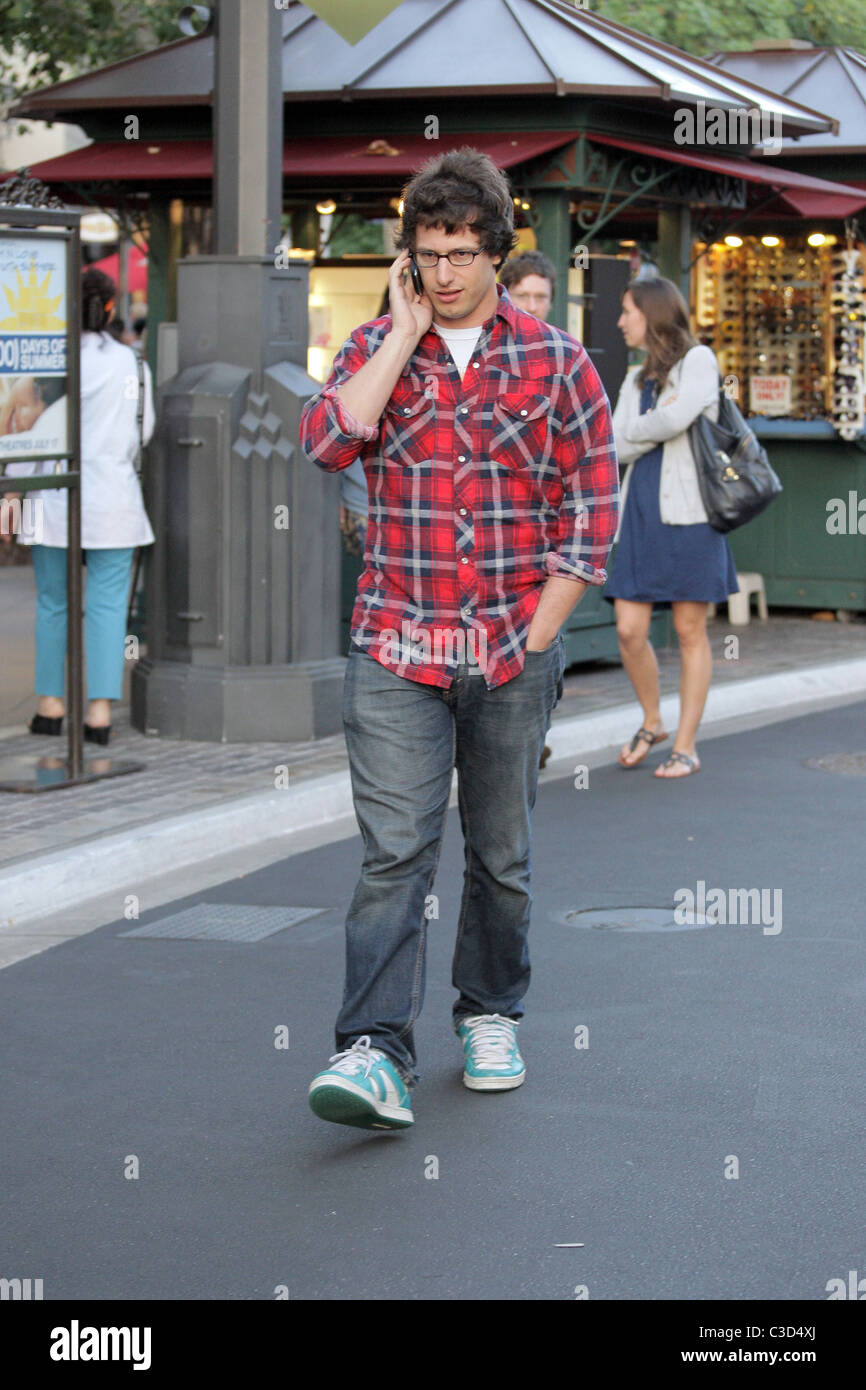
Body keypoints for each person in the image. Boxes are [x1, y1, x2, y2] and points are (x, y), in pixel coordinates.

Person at [300, 146, 618, 1131]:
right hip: (396, 646)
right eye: (427, 253)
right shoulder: (373, 347)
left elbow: (592, 505)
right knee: (393, 853)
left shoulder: (555, 360)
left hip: (510, 652)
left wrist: (535, 634)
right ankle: (372, 1049)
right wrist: (400, 335)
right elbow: (327, 440)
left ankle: (487, 1012)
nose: (443, 273)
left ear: (496, 251)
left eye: (461, 254)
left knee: (501, 854)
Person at [0, 267, 155, 745]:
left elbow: (27, 440)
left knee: (52, 604)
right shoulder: (133, 365)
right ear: (109, 308)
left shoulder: (51, 363)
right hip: (115, 501)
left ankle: (50, 708)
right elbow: (141, 434)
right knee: (107, 609)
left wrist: (10, 498)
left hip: (49, 500)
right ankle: (100, 714)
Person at [605, 276, 738, 778]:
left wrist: (649, 427)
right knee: (628, 629)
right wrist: (653, 425)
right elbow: (614, 445)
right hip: (638, 514)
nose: (621, 322)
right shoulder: (635, 379)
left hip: (690, 517)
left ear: (652, 314)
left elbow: (677, 418)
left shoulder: (699, 361)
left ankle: (685, 744)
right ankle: (652, 718)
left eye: (628, 312)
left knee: (688, 629)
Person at [499, 249, 558, 768]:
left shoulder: (563, 361)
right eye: (525, 296)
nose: (535, 306)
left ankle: (531, 733)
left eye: (542, 297)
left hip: (541, 552)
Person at [498, 249, 556, 321]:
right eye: (522, 296)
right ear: (504, 298)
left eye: (540, 297)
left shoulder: (558, 332)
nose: (532, 308)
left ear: (550, 303)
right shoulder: (485, 331)